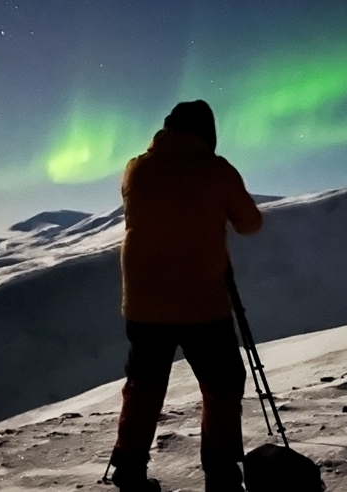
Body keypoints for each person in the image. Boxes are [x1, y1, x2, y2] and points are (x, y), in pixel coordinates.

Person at [110, 100, 263, 492]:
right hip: (203, 304)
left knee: (144, 386)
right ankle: (222, 473)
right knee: (222, 385)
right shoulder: (217, 171)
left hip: (144, 305)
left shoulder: (136, 168)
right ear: (207, 133)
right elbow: (250, 223)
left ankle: (128, 469)